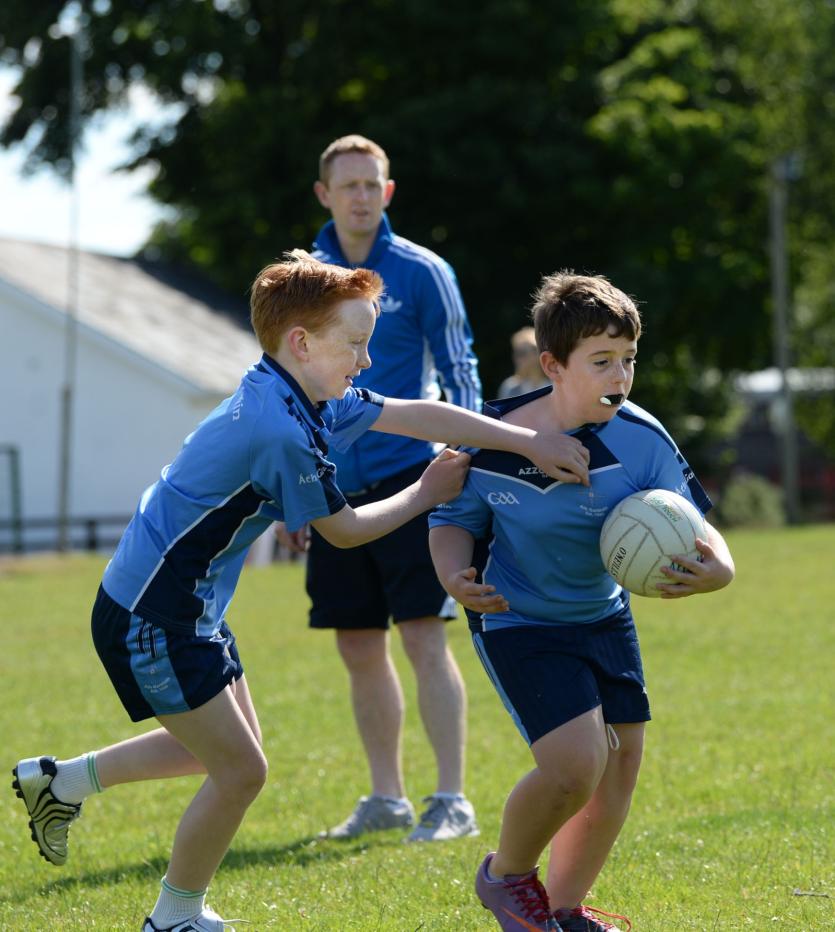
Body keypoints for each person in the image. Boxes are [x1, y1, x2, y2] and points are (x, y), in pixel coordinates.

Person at [12, 252, 590, 932]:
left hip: (182, 609)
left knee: (221, 751)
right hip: (154, 616)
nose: (366, 361)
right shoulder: (280, 427)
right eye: (355, 344)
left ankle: (61, 781)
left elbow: (416, 414)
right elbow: (343, 531)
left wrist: (524, 439)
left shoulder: (294, 392)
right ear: (301, 342)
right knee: (241, 772)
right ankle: (172, 918)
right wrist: (425, 492)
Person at [428, 271, 735, 932]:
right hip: (518, 619)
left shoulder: (642, 439)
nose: (619, 375)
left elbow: (696, 525)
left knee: (619, 767)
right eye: (601, 362)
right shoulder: (494, 435)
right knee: (574, 765)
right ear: (551, 365)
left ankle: (560, 913)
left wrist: (720, 570)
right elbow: (450, 519)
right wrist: (455, 575)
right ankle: (505, 878)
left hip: (604, 614)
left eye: (627, 360)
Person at [276, 134, 486, 842]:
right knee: (359, 645)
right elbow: (283, 391)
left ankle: (450, 799)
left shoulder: (424, 273)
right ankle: (386, 797)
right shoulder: (298, 282)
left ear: (387, 192)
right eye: (348, 186)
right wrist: (290, 491)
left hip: (413, 480)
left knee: (424, 634)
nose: (361, 196)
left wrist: (464, 467)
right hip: (329, 485)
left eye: (372, 184)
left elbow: (461, 374)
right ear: (323, 195)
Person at [497, 326, 551, 399]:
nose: (517, 359)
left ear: (537, 353)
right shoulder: (510, 387)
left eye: (521, 353)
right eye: (516, 353)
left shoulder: (555, 385)